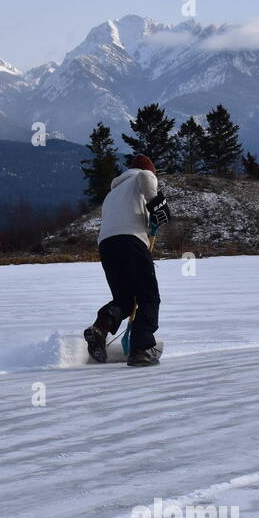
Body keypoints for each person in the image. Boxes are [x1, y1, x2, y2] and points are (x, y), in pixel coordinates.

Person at [83, 153, 171, 366]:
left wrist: (150, 221)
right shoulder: (142, 175)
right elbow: (147, 179)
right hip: (131, 241)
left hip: (107, 245)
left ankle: (100, 329)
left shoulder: (112, 193)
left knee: (124, 300)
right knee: (149, 298)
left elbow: (130, 215)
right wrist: (157, 204)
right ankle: (141, 349)